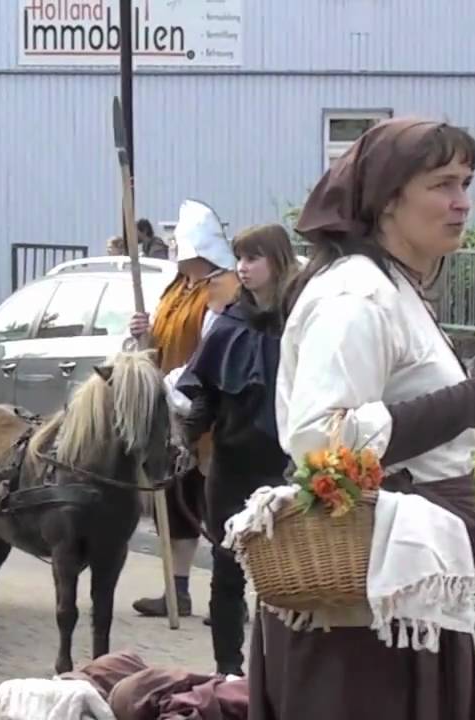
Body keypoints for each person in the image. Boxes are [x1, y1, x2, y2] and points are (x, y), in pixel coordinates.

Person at [255, 118, 475, 719]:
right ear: (388, 199)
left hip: (405, 581)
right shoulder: (356, 295)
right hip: (364, 597)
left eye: (466, 182)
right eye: (442, 184)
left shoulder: (393, 286)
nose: (462, 202)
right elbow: (319, 438)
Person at [174, 223, 297, 675]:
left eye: (253, 259)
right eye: (240, 259)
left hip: (286, 468)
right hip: (231, 463)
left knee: (282, 578)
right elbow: (207, 391)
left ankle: (279, 672)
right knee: (226, 570)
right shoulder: (228, 322)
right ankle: (228, 669)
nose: (242, 268)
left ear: (277, 261)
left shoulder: (302, 320)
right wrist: (188, 435)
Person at [127, 199, 240, 619]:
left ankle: (227, 593)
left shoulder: (223, 289)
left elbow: (213, 351)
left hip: (207, 412)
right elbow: (159, 339)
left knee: (215, 504)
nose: (174, 247)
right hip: (173, 412)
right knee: (176, 501)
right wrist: (142, 330)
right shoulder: (178, 287)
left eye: (181, 241)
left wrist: (179, 391)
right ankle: (177, 590)